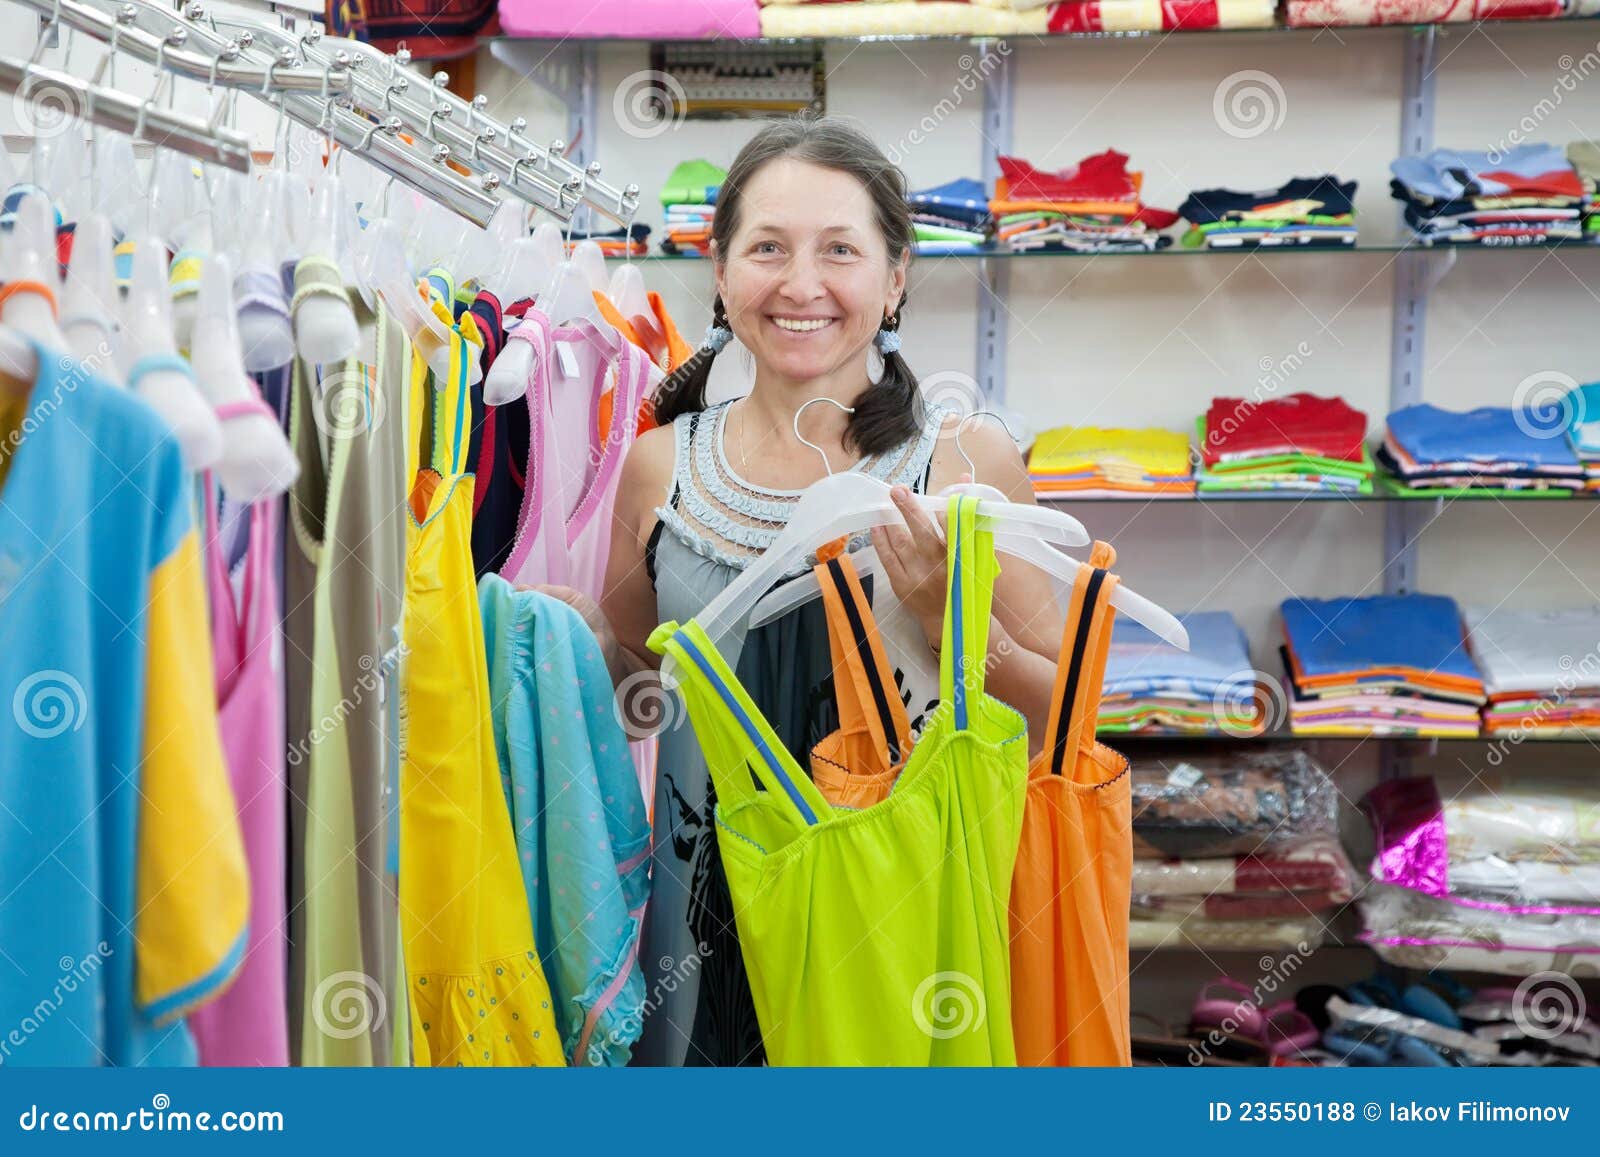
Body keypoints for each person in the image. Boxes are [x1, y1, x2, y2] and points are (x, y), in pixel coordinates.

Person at [556, 115, 1070, 1066]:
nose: (801, 284)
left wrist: (946, 625)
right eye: (767, 248)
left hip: (905, 933)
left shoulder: (967, 463)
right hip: (698, 928)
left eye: (840, 249)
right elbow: (642, 696)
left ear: (897, 275)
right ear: (720, 271)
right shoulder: (657, 465)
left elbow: (1064, 724)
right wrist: (566, 644)